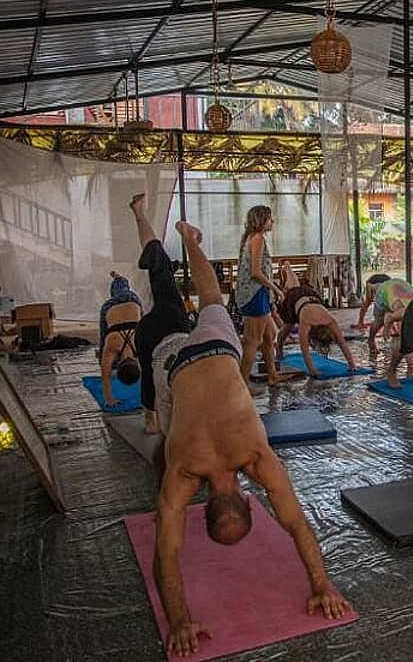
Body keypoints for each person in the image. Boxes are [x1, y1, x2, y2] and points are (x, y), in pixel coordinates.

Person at [150, 217, 351, 656]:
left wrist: (181, 619)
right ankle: (185, 241)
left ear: (243, 501)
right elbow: (295, 523)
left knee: (205, 301)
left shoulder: (248, 458)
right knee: (207, 304)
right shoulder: (191, 470)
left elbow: (168, 555)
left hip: (201, 355)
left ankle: (181, 241)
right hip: (175, 366)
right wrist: (322, 587)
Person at [129, 195, 192, 435]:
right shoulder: (163, 282)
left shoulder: (162, 281)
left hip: (155, 328)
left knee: (150, 372)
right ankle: (153, 419)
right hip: (164, 326)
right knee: (158, 376)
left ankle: (149, 419)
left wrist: (140, 216)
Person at [235, 205, 297, 388]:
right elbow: (256, 272)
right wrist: (276, 289)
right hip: (255, 294)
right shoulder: (258, 239)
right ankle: (243, 385)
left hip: (256, 293)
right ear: (261, 220)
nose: (273, 222)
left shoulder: (252, 238)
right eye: (270, 218)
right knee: (252, 341)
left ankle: (272, 376)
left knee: (270, 335)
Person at [275, 261, 357, 376]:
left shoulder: (330, 321)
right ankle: (279, 348)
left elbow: (342, 343)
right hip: (295, 300)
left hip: (310, 297)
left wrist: (352, 365)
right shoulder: (307, 323)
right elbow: (305, 350)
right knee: (287, 328)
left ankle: (288, 270)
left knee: (294, 285)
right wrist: (312, 370)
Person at [98, 271, 142, 407]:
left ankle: (119, 279)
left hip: (134, 302)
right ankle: (119, 279)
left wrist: (110, 400)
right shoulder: (113, 345)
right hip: (111, 308)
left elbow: (105, 374)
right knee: (121, 292)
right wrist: (109, 399)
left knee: (121, 291)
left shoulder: (140, 345)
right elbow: (105, 374)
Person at [367, 276, 413, 353]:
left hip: (396, 284)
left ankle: (389, 318)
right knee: (379, 320)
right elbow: (403, 336)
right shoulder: (403, 310)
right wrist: (410, 362)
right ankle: (371, 341)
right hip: (384, 292)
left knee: (393, 316)